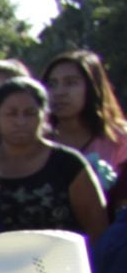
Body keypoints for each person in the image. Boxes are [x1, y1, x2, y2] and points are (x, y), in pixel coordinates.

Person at [0, 76, 109, 238]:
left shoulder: (69, 164)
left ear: (45, 116)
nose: (20, 122)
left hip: (62, 260)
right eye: (11, 114)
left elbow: (98, 229)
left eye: (30, 113)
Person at [44, 48, 127, 184]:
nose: (59, 92)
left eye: (71, 83)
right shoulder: (38, 137)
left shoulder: (120, 139)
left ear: (92, 87)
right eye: (52, 84)